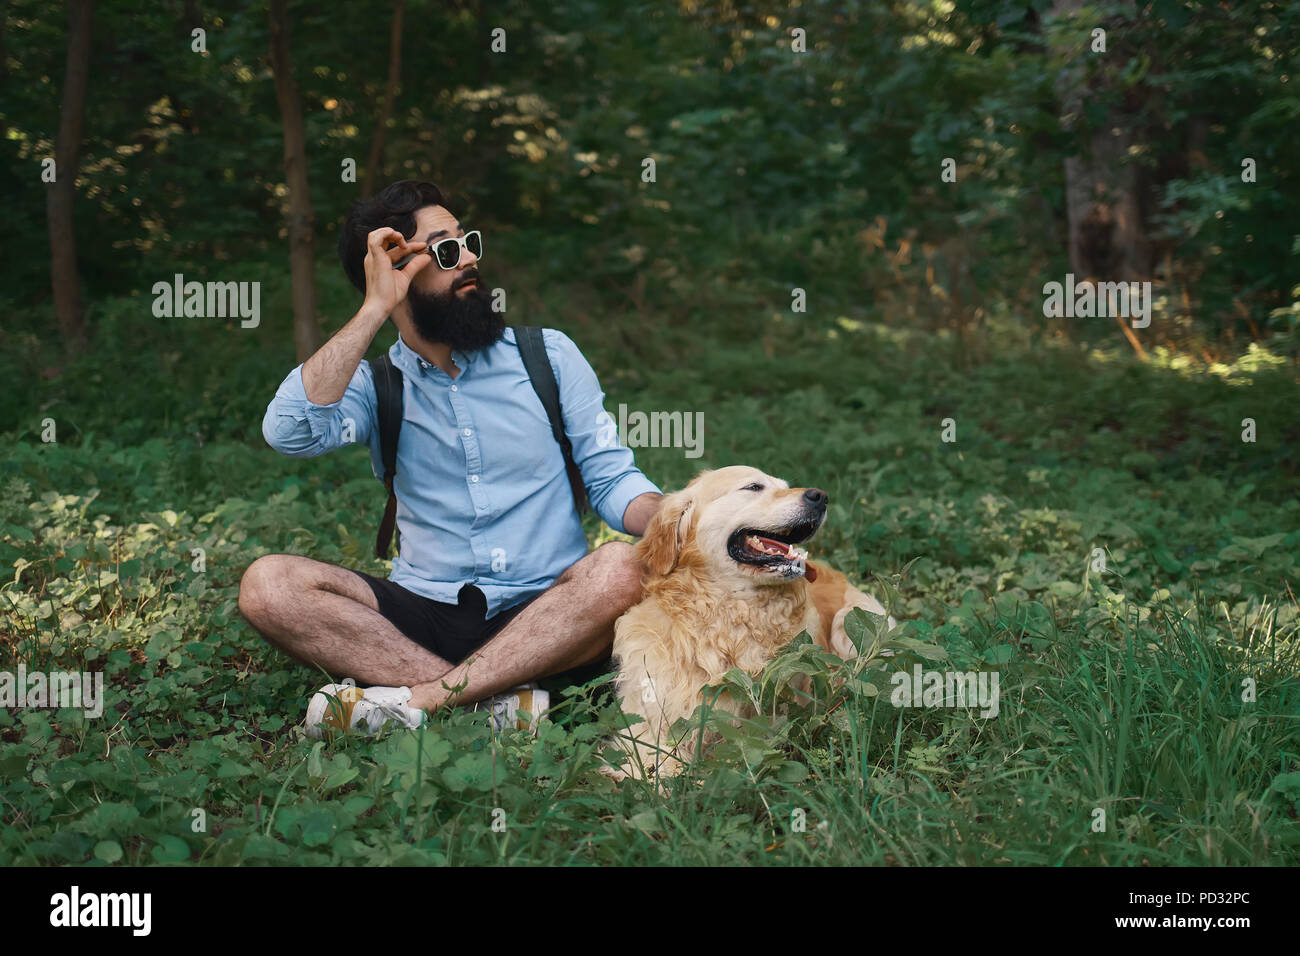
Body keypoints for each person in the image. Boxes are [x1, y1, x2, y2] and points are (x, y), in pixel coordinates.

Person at [237, 180, 662, 738]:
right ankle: (497, 708)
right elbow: (289, 432)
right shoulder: (375, 386)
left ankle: (427, 701)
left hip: (550, 614)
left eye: (467, 242)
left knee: (622, 568)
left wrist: (682, 519)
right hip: (425, 615)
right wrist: (373, 309)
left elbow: (612, 481)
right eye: (443, 250)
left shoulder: (548, 357)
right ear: (394, 270)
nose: (468, 259)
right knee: (268, 585)